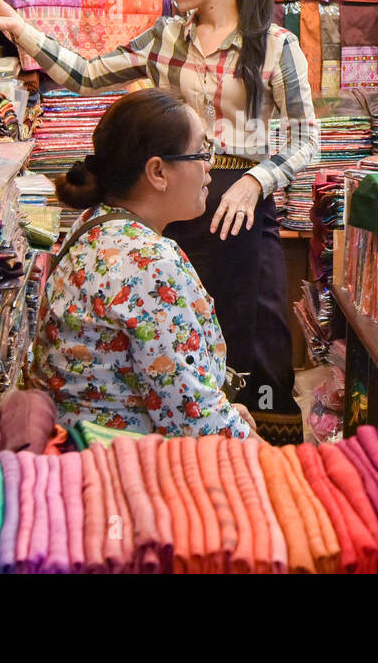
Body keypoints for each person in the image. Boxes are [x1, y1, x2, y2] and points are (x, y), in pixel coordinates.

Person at [0, 0, 317, 443]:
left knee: (257, 346)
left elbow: (305, 142)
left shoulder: (276, 47)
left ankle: (260, 470)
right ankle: (176, 455)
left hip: (242, 213)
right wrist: (20, 28)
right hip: (176, 207)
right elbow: (87, 74)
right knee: (168, 340)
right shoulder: (165, 39)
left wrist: (257, 181)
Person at [31, 87, 254, 438]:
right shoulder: (149, 263)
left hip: (84, 451)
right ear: (157, 172)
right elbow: (195, 422)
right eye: (201, 152)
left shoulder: (94, 223)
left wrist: (225, 411)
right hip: (125, 466)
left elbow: (178, 393)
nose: (210, 165)